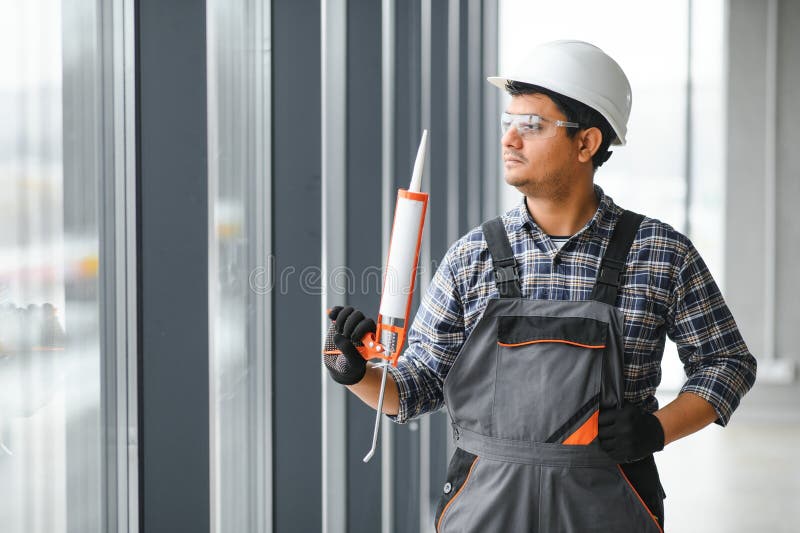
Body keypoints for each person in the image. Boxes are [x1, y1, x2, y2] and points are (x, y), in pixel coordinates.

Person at [323, 40, 757, 532]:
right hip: (486, 510)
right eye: (506, 123)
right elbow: (416, 388)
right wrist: (353, 371)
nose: (509, 139)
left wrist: (656, 430)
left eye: (530, 126)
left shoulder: (659, 253)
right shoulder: (473, 257)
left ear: (586, 143)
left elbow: (728, 364)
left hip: (608, 507)